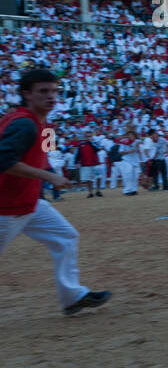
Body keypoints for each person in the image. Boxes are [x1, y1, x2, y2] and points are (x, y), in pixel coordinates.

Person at [0, 68, 111, 316]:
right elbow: (4, 161)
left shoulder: (41, 123)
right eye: (43, 91)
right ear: (26, 94)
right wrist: (49, 176)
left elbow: (45, 153)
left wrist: (51, 172)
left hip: (29, 203)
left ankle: (72, 297)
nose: (51, 96)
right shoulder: (23, 124)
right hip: (7, 205)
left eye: (54, 91)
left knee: (66, 237)